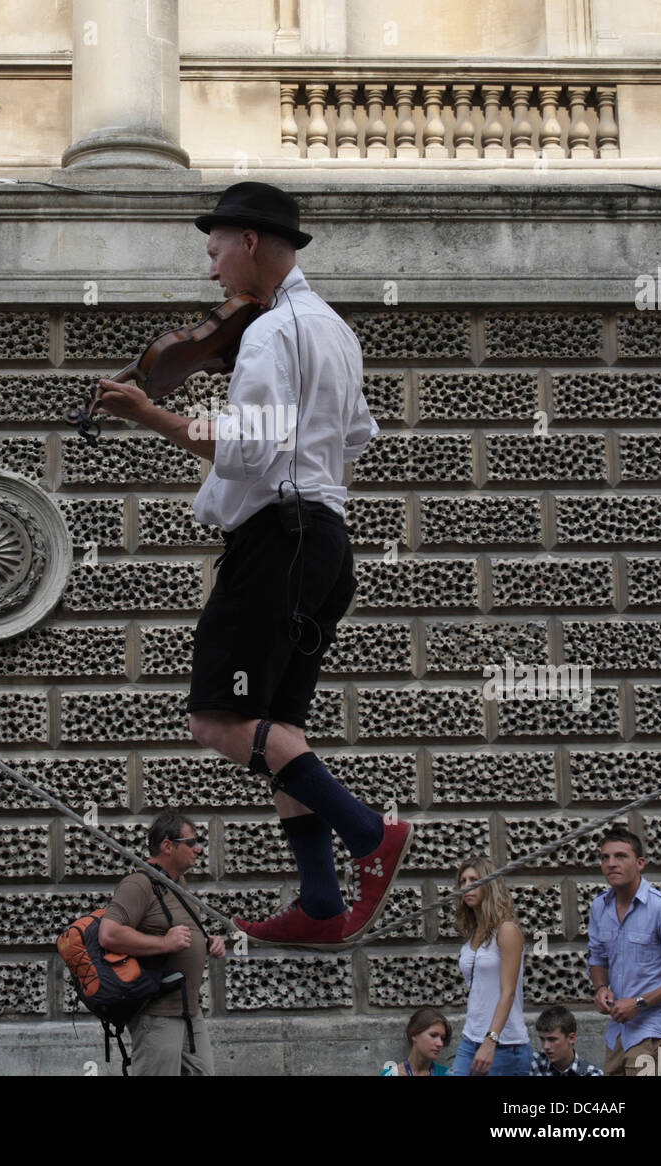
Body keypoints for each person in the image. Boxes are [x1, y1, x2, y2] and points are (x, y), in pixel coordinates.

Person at [95, 182, 412, 948]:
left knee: (217, 718)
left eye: (212, 252)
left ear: (246, 242)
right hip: (325, 539)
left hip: (279, 540)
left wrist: (148, 415)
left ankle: (369, 834)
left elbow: (246, 449)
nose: (209, 275)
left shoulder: (271, 334)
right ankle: (321, 901)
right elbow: (357, 432)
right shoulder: (333, 328)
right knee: (279, 730)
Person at [99, 808, 225, 1076]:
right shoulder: (138, 884)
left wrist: (207, 942)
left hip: (190, 1011)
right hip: (157, 1014)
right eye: (191, 842)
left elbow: (180, 932)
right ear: (167, 846)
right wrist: (165, 944)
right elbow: (108, 933)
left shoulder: (179, 885)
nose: (198, 849)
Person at [588, 827, 661, 1077]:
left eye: (620, 856)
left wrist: (639, 1003)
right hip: (618, 1033)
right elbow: (596, 958)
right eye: (605, 857)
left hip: (655, 1033)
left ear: (640, 863)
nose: (611, 864)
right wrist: (600, 988)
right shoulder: (599, 907)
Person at [451, 852, 531, 1077]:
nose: (467, 886)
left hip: (504, 1044)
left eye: (474, 881)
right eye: (463, 881)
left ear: (489, 884)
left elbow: (508, 993)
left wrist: (490, 1041)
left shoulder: (506, 931)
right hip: (470, 1038)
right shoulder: (473, 934)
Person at [530, 1005, 602, 1076]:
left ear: (571, 1038)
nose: (546, 1046)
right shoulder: (532, 1063)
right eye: (542, 1039)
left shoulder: (591, 1073)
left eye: (552, 1039)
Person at [380, 1006, 452, 1077]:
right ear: (414, 1034)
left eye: (442, 1038)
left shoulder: (447, 1074)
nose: (440, 1044)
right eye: (433, 1035)